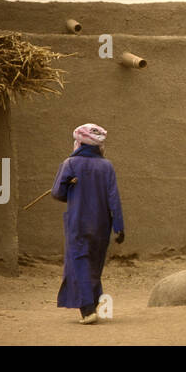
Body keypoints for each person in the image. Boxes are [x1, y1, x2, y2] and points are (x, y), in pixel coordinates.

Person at [52, 123, 125, 324]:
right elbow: (114, 198)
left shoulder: (70, 164)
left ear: (79, 142)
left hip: (78, 222)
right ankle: (93, 301)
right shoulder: (107, 166)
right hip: (103, 225)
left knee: (80, 263)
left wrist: (69, 186)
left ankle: (87, 309)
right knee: (94, 262)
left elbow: (57, 193)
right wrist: (119, 226)